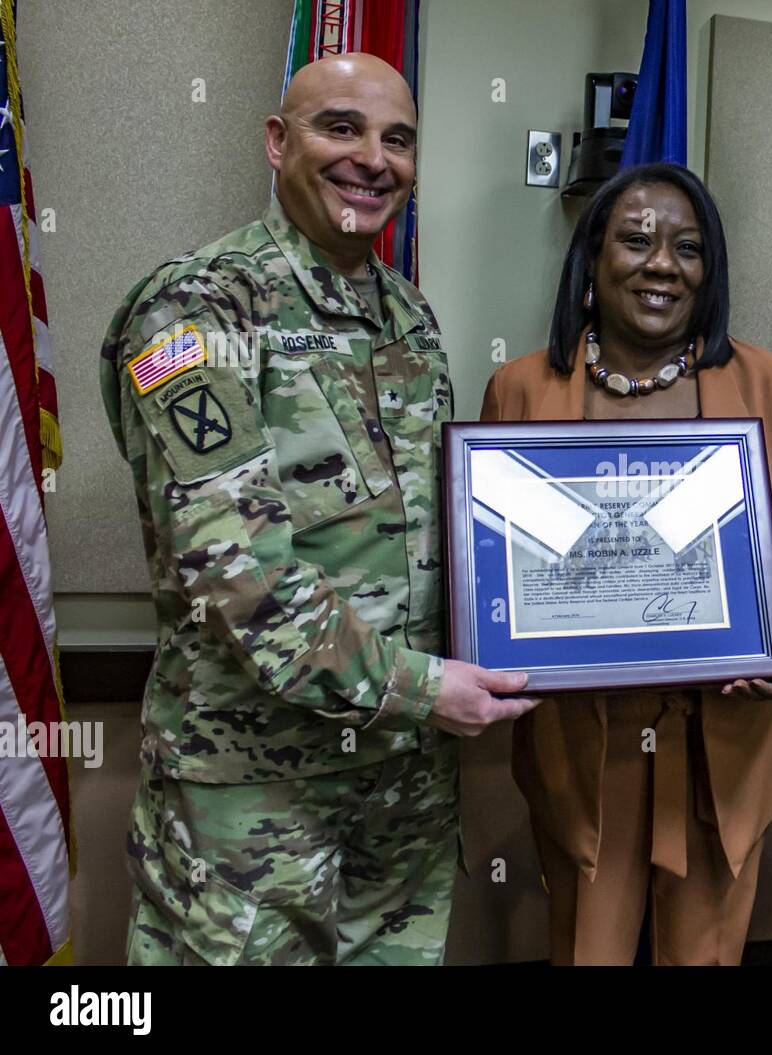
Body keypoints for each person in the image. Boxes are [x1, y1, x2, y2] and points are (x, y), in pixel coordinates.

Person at [100, 53, 535, 966]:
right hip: (255, 791)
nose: (373, 158)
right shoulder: (194, 312)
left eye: (398, 139)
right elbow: (239, 574)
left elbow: (428, 540)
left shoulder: (408, 316)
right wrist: (424, 689)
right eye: (342, 127)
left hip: (402, 783)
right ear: (276, 142)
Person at [480, 162, 772, 965]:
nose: (660, 263)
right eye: (635, 240)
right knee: (589, 951)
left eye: (687, 247)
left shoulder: (768, 385)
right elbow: (496, 554)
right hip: (584, 739)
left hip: (725, 731)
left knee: (705, 955)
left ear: (708, 273)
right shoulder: (523, 388)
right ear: (591, 260)